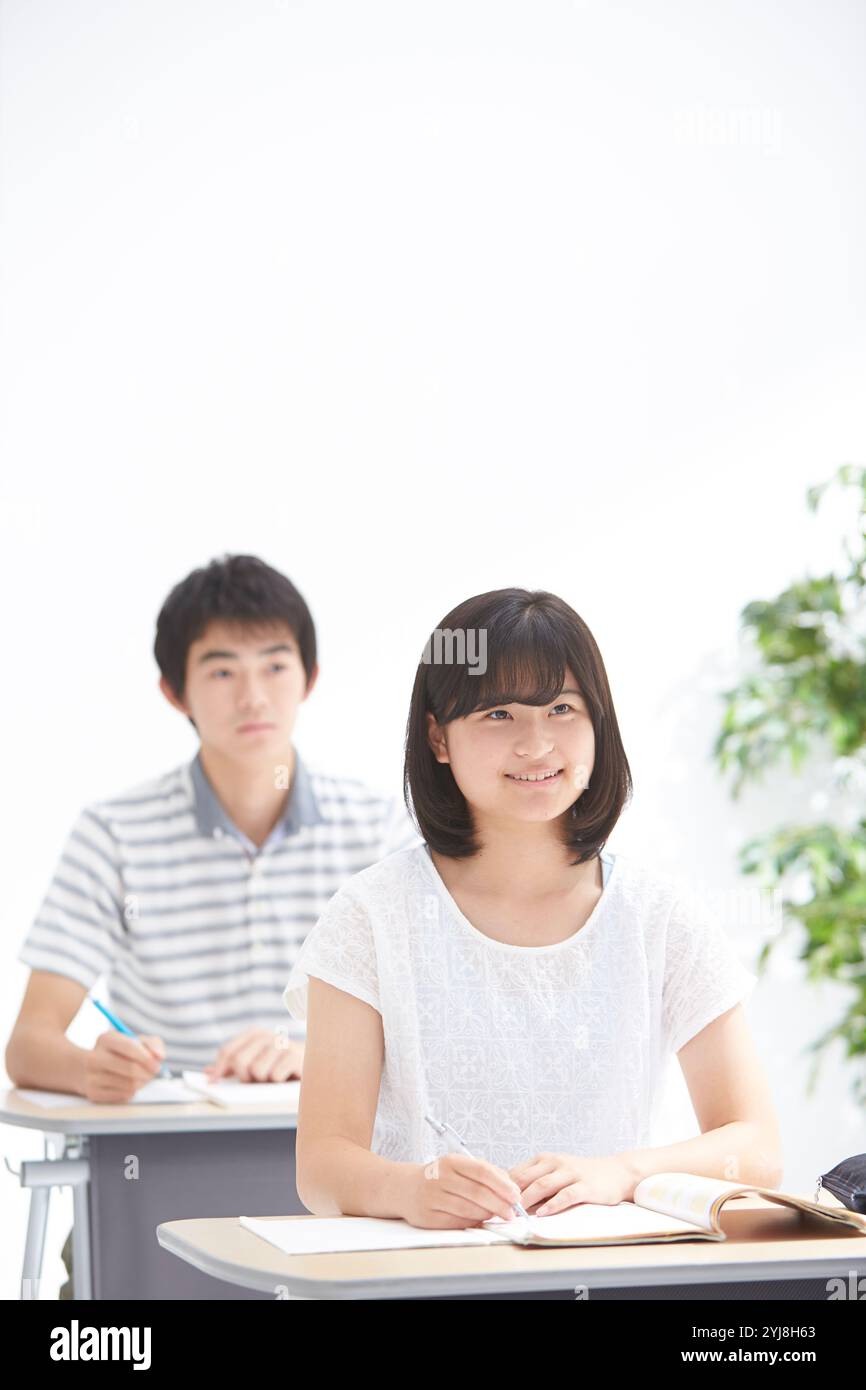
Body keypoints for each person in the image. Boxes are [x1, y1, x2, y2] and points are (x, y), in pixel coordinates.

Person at [282, 586, 783, 1229]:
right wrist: (407, 1189)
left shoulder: (659, 915)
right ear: (438, 738)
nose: (537, 744)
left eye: (562, 708)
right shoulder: (372, 914)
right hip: (425, 1277)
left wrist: (621, 1173)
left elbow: (757, 1147)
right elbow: (321, 1165)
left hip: (611, 1276)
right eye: (498, 714)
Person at [5, 553, 419, 1297]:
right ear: (176, 691)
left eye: (275, 664)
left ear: (310, 678)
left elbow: (433, 1027)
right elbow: (30, 1044)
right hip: (156, 1184)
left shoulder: (375, 827)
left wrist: (315, 1054)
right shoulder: (114, 832)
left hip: (346, 1200)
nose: (252, 695)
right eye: (222, 670)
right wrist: (92, 1070)